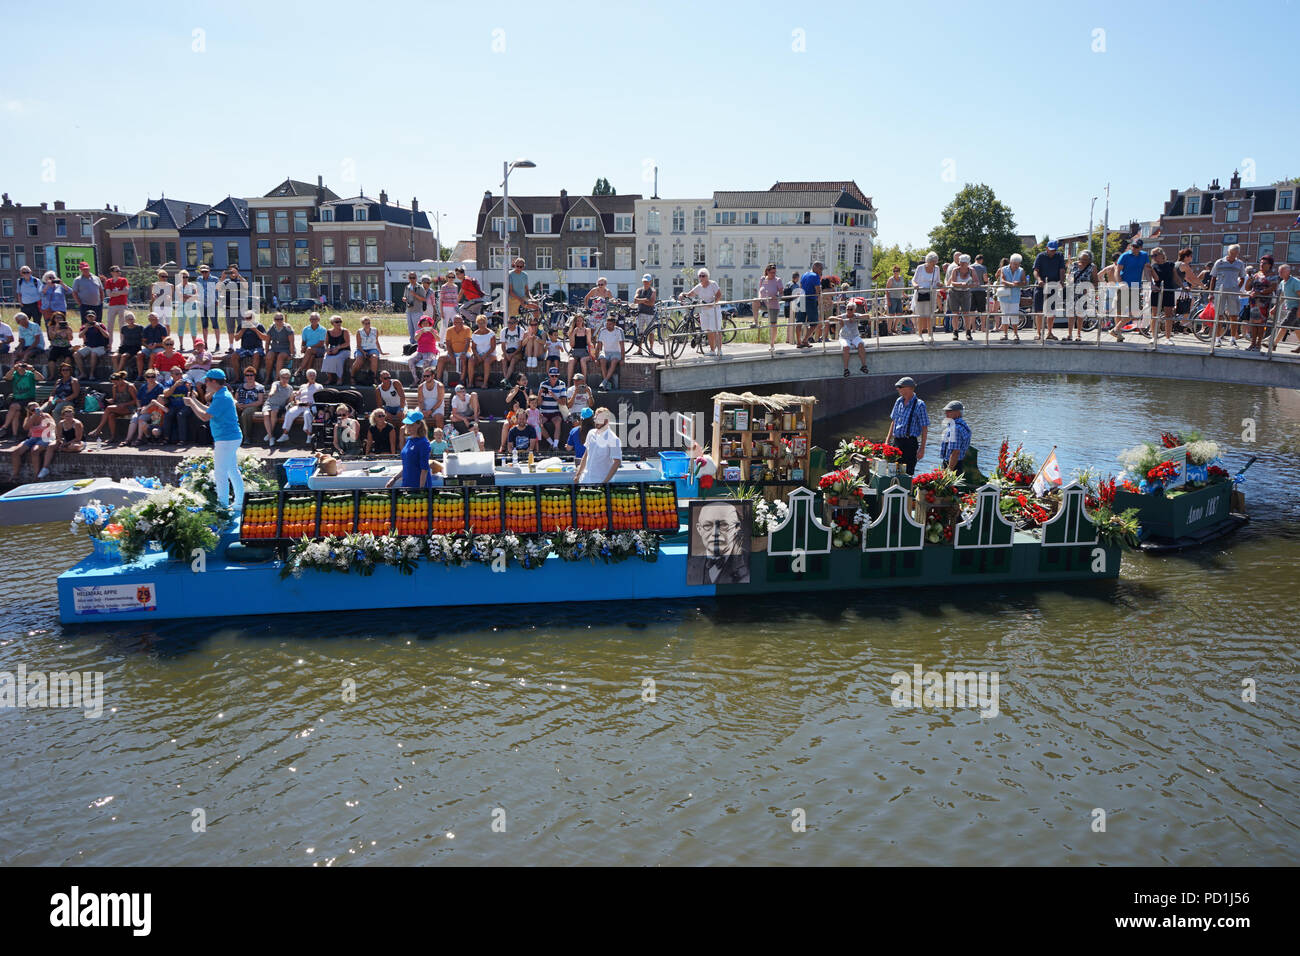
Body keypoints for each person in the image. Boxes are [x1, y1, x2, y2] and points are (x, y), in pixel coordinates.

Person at [185, 369, 244, 511]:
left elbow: (205, 417)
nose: (205, 383)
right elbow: (208, 411)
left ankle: (223, 505)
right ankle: (239, 502)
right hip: (230, 438)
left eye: (207, 380)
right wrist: (193, 400)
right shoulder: (221, 394)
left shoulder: (222, 397)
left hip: (226, 439)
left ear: (214, 382)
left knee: (220, 472)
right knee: (231, 470)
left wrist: (192, 404)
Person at [686, 500, 750, 585]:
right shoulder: (691, 563)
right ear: (699, 529)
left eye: (723, 525)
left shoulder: (748, 563)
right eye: (707, 525)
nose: (715, 533)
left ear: (737, 527)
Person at [884, 376, 928, 475]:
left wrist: (922, 449)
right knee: (892, 472)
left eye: (900, 387)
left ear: (910, 388)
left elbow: (924, 427)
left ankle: (907, 490)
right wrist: (887, 441)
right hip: (897, 442)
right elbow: (893, 421)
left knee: (907, 473)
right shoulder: (898, 401)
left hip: (910, 444)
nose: (897, 389)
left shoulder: (920, 404)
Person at [1208, 244, 1248, 346]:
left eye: (1235, 254)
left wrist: (1237, 288)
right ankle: (1217, 338)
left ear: (1237, 254)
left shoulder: (1239, 264)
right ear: (1228, 252)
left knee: (1234, 315)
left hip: (1232, 292)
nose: (1233, 256)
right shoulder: (1220, 262)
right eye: (1231, 253)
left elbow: (1243, 277)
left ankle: (1233, 338)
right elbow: (1213, 277)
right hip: (1220, 291)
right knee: (1219, 315)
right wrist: (1211, 292)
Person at [682, 267, 725, 359]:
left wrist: (713, 303)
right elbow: (690, 294)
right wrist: (682, 294)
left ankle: (720, 350)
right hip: (704, 310)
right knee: (708, 330)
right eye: (700, 276)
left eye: (703, 276)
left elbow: (719, 294)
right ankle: (712, 350)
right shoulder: (699, 286)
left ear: (707, 276)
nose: (701, 277)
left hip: (713, 309)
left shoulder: (713, 284)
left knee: (716, 330)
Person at [574, 406, 622, 484]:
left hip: (601, 483)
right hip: (585, 480)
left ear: (606, 421)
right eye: (595, 418)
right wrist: (578, 474)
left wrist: (605, 482)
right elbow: (586, 455)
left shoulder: (614, 439)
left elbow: (617, 462)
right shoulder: (591, 433)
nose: (596, 421)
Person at [86, 370, 137, 442]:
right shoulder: (114, 387)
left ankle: (98, 429)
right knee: (111, 415)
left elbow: (136, 400)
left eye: (116, 381)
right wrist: (111, 400)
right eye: (113, 382)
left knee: (108, 408)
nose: (114, 383)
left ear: (121, 379)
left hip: (130, 407)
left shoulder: (130, 386)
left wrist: (124, 404)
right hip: (118, 407)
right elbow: (115, 399)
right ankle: (113, 437)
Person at [1116, 237, 1154, 332]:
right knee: (1119, 311)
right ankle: (1118, 333)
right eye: (1132, 246)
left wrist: (1150, 284)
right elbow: (1117, 270)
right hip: (1124, 286)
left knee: (1135, 312)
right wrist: (1120, 283)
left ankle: (1115, 329)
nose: (1133, 248)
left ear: (1141, 247)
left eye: (1136, 247)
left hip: (1136, 287)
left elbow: (1146, 270)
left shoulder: (1144, 256)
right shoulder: (1124, 256)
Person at [387, 411, 432, 489]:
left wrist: (421, 490)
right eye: (407, 425)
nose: (408, 427)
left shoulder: (423, 443)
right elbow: (407, 465)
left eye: (411, 425)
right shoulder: (409, 440)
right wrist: (394, 479)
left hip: (418, 488)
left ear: (419, 425)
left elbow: (424, 469)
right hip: (406, 485)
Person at [0, 361, 44, 439]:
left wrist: (33, 370)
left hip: (28, 400)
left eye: (23, 365)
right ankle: (15, 435)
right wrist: (13, 369)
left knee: (13, 406)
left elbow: (41, 378)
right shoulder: (14, 374)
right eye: (20, 365)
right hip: (17, 399)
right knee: (16, 413)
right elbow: (7, 377)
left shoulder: (30, 374)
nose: (21, 367)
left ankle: (4, 427)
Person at [11, 403, 55, 479]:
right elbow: (26, 427)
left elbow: (53, 426)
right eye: (33, 410)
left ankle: (36, 475)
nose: (35, 411)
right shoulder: (29, 418)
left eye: (37, 409)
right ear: (30, 411)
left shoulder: (46, 415)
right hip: (34, 438)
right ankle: (15, 474)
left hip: (45, 438)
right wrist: (33, 417)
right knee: (15, 452)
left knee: (34, 450)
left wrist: (44, 418)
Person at [1031, 240, 1064, 342]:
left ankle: (1049, 332)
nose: (1053, 252)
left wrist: (1062, 281)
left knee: (1051, 311)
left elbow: (1062, 269)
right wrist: (1039, 280)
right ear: (1046, 248)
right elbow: (1035, 270)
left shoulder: (1059, 256)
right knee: (1039, 311)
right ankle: (1038, 333)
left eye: (1054, 250)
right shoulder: (1040, 256)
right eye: (1051, 250)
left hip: (1053, 286)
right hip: (1041, 287)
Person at [277, 368, 321, 444]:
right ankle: (285, 434)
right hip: (301, 405)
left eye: (313, 375)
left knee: (307, 414)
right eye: (310, 375)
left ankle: (309, 435)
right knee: (290, 412)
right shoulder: (303, 386)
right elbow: (297, 397)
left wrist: (311, 404)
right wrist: (298, 402)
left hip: (312, 406)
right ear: (307, 377)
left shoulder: (319, 386)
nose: (312, 376)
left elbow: (321, 397)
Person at [122, 369, 165, 446]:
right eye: (149, 377)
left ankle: (139, 439)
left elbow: (160, 401)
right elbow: (138, 399)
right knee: (134, 418)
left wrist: (147, 408)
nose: (151, 378)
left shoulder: (160, 387)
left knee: (141, 418)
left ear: (156, 377)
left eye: (153, 376)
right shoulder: (143, 386)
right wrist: (139, 407)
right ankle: (128, 440)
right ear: (146, 377)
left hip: (153, 410)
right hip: (142, 408)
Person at [1244, 255, 1277, 352]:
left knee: (1261, 324)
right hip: (1254, 302)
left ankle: (1258, 344)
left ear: (1270, 265)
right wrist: (1249, 281)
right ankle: (1252, 343)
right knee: (1254, 323)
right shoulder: (1256, 275)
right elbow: (1247, 288)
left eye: (1264, 263)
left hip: (1264, 302)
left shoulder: (1272, 276)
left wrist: (1260, 292)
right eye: (1261, 263)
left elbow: (1273, 288)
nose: (1261, 265)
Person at [1149, 248, 1179, 344]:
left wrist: (1183, 286)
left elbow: (1176, 277)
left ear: (1162, 255)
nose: (1154, 258)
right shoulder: (1153, 266)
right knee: (1154, 315)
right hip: (1157, 290)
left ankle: (1168, 338)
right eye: (1152, 256)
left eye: (1155, 255)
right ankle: (1154, 337)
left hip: (1168, 290)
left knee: (1168, 315)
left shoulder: (1170, 265)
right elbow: (1156, 279)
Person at [157, 366, 193, 445]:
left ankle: (182, 440)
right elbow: (166, 394)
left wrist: (190, 389)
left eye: (181, 373)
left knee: (181, 415)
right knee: (168, 414)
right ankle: (166, 438)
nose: (180, 375)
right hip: (173, 406)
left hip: (186, 406)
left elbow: (195, 395)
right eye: (177, 374)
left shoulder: (187, 381)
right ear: (172, 375)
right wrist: (175, 386)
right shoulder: (169, 382)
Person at [1066, 250, 1097, 343]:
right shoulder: (1074, 265)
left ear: (1089, 260)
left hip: (1084, 294)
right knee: (1071, 314)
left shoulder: (1092, 267)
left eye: (1085, 260)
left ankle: (1079, 334)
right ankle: (1069, 334)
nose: (1082, 261)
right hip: (1072, 292)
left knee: (1080, 314)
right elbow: (1068, 278)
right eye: (1081, 259)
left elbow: (1096, 281)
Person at [912, 253, 943, 345]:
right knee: (920, 315)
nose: (934, 264)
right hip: (921, 293)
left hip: (931, 293)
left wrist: (940, 284)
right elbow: (914, 280)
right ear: (928, 261)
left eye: (935, 262)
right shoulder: (920, 268)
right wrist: (915, 285)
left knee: (930, 314)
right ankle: (920, 334)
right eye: (932, 262)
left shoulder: (936, 269)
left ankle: (930, 334)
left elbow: (937, 281)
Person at [1270, 263, 1300, 352]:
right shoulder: (1283, 282)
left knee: (1284, 325)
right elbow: (1282, 297)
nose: (1280, 273)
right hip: (1290, 307)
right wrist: (1275, 307)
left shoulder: (1295, 282)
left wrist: (1299, 310)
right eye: (1279, 271)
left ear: (1288, 272)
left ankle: (1273, 344)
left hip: (1296, 308)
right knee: (1296, 328)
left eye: (1282, 271)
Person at [996, 254, 1026, 342]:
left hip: (1015, 296)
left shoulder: (1021, 271)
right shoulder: (1004, 269)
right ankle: (1005, 334)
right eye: (1015, 264)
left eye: (1018, 264)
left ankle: (1015, 334)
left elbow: (1025, 282)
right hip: (1004, 296)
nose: (1017, 266)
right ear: (1011, 262)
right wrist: (1012, 284)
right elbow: (1003, 280)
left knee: (1014, 315)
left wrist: (1019, 283)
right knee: (1004, 315)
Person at [261, 368, 295, 446]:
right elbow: (273, 389)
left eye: (287, 378)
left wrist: (293, 397)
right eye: (283, 377)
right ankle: (270, 436)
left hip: (279, 407)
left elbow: (289, 401)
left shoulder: (290, 388)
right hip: (269, 404)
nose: (285, 379)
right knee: (266, 414)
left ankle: (269, 434)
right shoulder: (276, 383)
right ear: (280, 377)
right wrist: (271, 392)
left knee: (274, 412)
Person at [948, 255, 978, 342]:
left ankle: (968, 332)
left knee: (966, 313)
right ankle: (955, 332)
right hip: (954, 292)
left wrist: (971, 284)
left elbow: (977, 282)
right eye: (960, 263)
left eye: (964, 263)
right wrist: (961, 284)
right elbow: (953, 282)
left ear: (968, 263)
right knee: (955, 313)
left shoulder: (971, 270)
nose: (961, 265)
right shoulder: (955, 270)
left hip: (966, 292)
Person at [755, 264, 784, 352]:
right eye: (771, 272)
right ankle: (755, 322)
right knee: (754, 301)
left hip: (773, 304)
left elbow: (781, 293)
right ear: (767, 272)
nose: (773, 274)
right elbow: (760, 289)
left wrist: (778, 297)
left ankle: (771, 344)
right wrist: (760, 297)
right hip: (764, 302)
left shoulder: (778, 280)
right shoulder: (763, 279)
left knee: (773, 325)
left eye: (775, 272)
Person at [435, 313, 471, 382]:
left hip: (464, 352)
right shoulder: (449, 330)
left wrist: (463, 353)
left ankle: (461, 381)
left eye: (461, 322)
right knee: (441, 359)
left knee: (463, 359)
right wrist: (451, 356)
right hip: (453, 352)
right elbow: (448, 345)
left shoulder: (467, 329)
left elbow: (467, 343)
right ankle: (438, 380)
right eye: (457, 322)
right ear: (454, 323)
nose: (459, 324)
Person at [233, 367, 266, 442]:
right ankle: (234, 436)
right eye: (247, 375)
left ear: (254, 376)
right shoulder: (241, 386)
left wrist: (245, 406)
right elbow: (235, 398)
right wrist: (238, 404)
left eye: (251, 375)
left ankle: (246, 437)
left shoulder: (260, 387)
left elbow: (260, 401)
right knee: (231, 411)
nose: (249, 377)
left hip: (253, 406)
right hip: (241, 405)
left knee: (246, 413)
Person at [73, 312, 111, 378]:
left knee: (93, 354)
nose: (90, 318)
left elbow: (107, 336)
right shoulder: (84, 326)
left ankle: (91, 374)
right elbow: (80, 336)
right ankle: (82, 373)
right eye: (89, 317)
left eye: (92, 316)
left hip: (100, 347)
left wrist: (99, 328)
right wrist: (86, 328)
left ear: (95, 317)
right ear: (86, 318)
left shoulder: (100, 325)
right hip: (89, 347)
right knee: (76, 354)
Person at [536, 368, 566, 448]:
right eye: (552, 375)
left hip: (555, 412)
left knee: (558, 422)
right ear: (549, 375)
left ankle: (555, 445)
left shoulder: (562, 384)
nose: (554, 377)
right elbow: (539, 403)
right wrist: (539, 394)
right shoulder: (543, 384)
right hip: (544, 412)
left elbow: (563, 402)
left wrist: (554, 396)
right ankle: (552, 443)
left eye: (556, 376)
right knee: (538, 424)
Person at [838, 301, 870, 376]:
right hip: (844, 337)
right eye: (847, 309)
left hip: (855, 336)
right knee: (846, 347)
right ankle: (846, 369)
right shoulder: (843, 316)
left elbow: (868, 316)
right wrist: (839, 319)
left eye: (851, 310)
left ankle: (864, 366)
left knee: (861, 345)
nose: (848, 311)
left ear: (854, 310)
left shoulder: (856, 315)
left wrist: (856, 318)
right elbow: (830, 318)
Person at [70, 260, 105, 329]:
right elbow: (74, 293)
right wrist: (79, 303)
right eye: (83, 269)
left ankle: (98, 338)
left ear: (89, 268)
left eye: (87, 269)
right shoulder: (77, 280)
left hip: (97, 305)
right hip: (85, 305)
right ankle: (86, 339)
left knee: (98, 324)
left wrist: (101, 301)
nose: (86, 270)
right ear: (80, 270)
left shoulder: (96, 278)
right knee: (85, 325)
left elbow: (101, 290)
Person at [938, 400, 971, 471]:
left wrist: (949, 471)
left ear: (958, 413)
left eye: (949, 411)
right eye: (946, 411)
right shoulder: (963, 425)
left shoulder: (955, 429)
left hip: (952, 465)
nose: (946, 413)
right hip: (959, 463)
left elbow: (955, 452)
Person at [195, 264, 222, 350]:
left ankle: (217, 343)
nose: (204, 273)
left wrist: (218, 299)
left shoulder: (214, 279)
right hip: (202, 304)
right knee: (204, 325)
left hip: (212, 304)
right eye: (202, 272)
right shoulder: (199, 279)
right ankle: (205, 343)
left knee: (215, 324)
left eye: (205, 271)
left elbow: (219, 290)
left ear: (209, 271)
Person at [467, 314, 498, 388]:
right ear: (477, 323)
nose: (481, 325)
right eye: (479, 323)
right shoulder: (474, 334)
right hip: (478, 354)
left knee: (487, 361)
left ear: (486, 323)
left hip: (490, 354)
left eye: (483, 323)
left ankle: (485, 383)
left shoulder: (491, 334)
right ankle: (470, 382)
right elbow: (473, 348)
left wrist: (485, 355)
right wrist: (477, 355)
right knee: (471, 360)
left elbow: (493, 347)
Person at [595, 314, 625, 389]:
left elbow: (622, 346)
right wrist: (596, 358)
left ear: (614, 324)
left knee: (614, 361)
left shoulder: (619, 331)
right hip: (605, 352)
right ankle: (606, 382)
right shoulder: (602, 331)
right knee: (602, 360)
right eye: (607, 324)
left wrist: (623, 359)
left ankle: (604, 381)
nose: (608, 326)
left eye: (610, 324)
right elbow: (598, 345)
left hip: (616, 352)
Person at [319, 315, 349, 385]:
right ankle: (330, 378)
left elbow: (347, 343)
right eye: (337, 322)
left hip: (344, 350)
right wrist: (327, 349)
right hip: (333, 350)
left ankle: (339, 378)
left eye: (340, 321)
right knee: (326, 358)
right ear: (332, 323)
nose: (339, 323)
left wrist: (338, 348)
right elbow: (325, 343)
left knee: (338, 358)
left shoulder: (345, 331)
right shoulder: (328, 332)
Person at [265, 312, 296, 382]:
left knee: (280, 356)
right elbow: (267, 342)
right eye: (277, 319)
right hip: (274, 348)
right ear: (274, 320)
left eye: (281, 319)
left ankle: (277, 378)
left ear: (283, 319)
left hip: (286, 349)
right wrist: (266, 352)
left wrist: (292, 354)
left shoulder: (288, 328)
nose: (279, 321)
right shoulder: (271, 328)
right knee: (269, 356)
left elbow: (292, 343)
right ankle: (267, 377)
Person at [295, 312, 327, 379]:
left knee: (309, 350)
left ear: (319, 320)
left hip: (319, 349)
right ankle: (307, 376)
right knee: (311, 356)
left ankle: (300, 369)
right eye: (311, 319)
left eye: (315, 319)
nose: (313, 320)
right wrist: (302, 347)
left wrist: (308, 348)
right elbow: (304, 341)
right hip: (309, 350)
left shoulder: (322, 330)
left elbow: (321, 343)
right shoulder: (306, 329)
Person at [174, 269, 199, 352]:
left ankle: (194, 345)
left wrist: (187, 296)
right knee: (181, 326)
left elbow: (196, 296)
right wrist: (190, 296)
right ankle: (181, 345)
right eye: (183, 277)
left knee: (193, 326)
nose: (185, 278)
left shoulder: (193, 285)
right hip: (181, 307)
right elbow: (180, 296)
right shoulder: (178, 286)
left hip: (192, 306)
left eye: (186, 277)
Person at [114, 311, 145, 377]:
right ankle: (118, 372)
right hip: (125, 346)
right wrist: (120, 346)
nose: (131, 320)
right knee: (114, 356)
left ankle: (117, 374)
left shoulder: (140, 328)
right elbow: (122, 339)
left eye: (132, 319)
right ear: (126, 320)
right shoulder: (124, 328)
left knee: (124, 356)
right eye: (129, 319)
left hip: (135, 346)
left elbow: (143, 339)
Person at [633, 274, 658, 354]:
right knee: (640, 332)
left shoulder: (653, 291)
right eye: (644, 281)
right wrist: (645, 300)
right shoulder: (639, 290)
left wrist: (641, 300)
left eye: (647, 281)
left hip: (650, 314)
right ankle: (639, 350)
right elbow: (635, 300)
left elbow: (652, 303)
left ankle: (651, 349)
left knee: (651, 332)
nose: (645, 283)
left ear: (650, 281)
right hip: (640, 313)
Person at [45, 312, 74, 378]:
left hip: (66, 346)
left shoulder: (67, 327)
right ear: (54, 319)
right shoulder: (51, 327)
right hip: (56, 346)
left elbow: (70, 338)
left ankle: (66, 375)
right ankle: (52, 375)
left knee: (68, 358)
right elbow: (51, 338)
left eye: (60, 317)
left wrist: (68, 332)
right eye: (57, 318)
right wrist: (57, 330)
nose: (59, 319)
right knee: (51, 359)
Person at [499, 314, 525, 381]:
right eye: (508, 322)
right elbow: (503, 345)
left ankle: (505, 380)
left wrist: (513, 354)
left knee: (513, 360)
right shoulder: (504, 331)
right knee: (503, 360)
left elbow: (520, 346)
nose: (509, 325)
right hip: (507, 351)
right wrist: (506, 354)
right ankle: (506, 379)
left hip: (517, 351)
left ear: (516, 323)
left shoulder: (520, 330)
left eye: (512, 323)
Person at [567, 315, 593, 382]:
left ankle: (584, 381)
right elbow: (572, 345)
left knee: (582, 360)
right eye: (577, 321)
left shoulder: (587, 330)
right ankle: (569, 383)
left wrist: (592, 354)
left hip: (584, 351)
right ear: (575, 322)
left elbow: (589, 343)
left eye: (580, 320)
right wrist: (573, 333)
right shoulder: (572, 331)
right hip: (575, 351)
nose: (579, 322)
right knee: (571, 361)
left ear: (583, 321)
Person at [402, 272, 425, 343]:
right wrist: (404, 299)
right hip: (409, 310)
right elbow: (404, 296)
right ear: (408, 279)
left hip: (417, 311)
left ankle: (418, 344)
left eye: (413, 278)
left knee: (417, 329)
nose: (412, 279)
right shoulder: (407, 287)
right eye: (410, 278)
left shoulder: (420, 287)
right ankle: (412, 343)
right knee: (410, 329)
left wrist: (415, 295)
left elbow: (423, 299)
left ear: (416, 278)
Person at [885, 265, 905, 331]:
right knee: (891, 314)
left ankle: (894, 328)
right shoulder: (891, 279)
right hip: (892, 298)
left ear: (899, 271)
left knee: (899, 313)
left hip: (899, 298)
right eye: (894, 271)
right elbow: (887, 290)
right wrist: (888, 301)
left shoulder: (901, 278)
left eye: (897, 271)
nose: (895, 272)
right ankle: (889, 330)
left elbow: (902, 288)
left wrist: (903, 294)